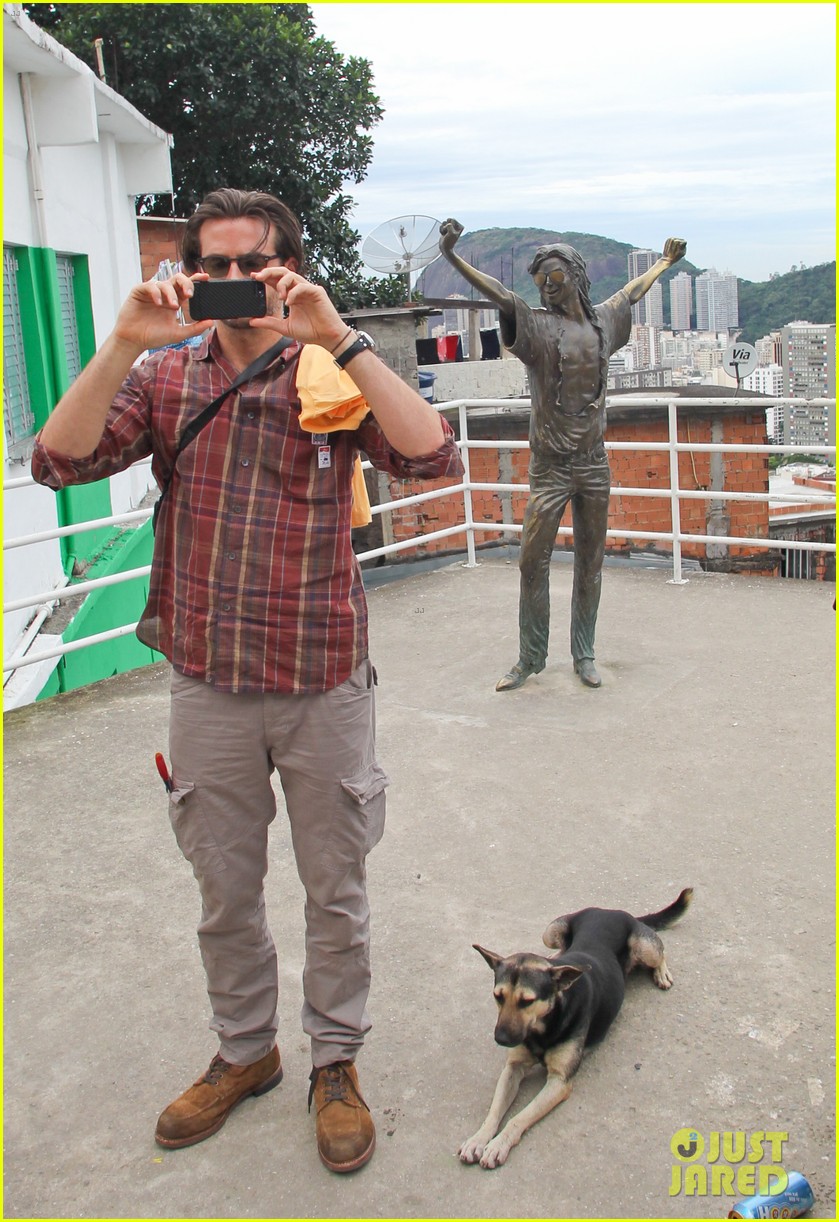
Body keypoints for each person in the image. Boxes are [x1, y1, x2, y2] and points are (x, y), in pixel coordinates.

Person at [31, 188, 463, 1173]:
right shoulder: (165, 377)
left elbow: (431, 456)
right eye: (212, 266)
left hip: (320, 676)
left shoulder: (328, 372)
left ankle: (336, 1062)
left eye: (252, 266)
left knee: (334, 887)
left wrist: (339, 333)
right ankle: (245, 1051)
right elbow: (57, 461)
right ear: (189, 273)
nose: (230, 284)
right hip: (208, 681)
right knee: (223, 887)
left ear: (287, 269)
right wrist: (117, 345)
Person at [438, 218, 686, 691]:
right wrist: (451, 256)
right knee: (533, 560)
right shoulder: (535, 328)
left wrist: (664, 263)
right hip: (550, 468)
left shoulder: (602, 323)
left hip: (594, 463)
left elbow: (630, 294)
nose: (548, 289)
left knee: (591, 561)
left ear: (575, 276)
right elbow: (498, 294)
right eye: (541, 283)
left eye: (555, 278)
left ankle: (584, 652)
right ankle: (531, 656)